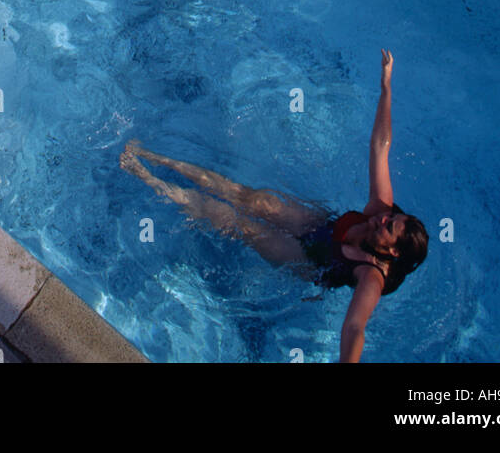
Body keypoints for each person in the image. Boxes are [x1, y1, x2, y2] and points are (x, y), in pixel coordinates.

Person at [120, 50, 427, 362]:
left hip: (314, 261)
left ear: (394, 252)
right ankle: (157, 158)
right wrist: (386, 88)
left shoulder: (372, 279)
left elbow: (354, 327)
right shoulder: (380, 210)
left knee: (235, 222)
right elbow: (380, 147)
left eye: (389, 226)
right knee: (251, 198)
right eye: (391, 216)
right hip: (323, 226)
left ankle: (147, 177)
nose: (383, 218)